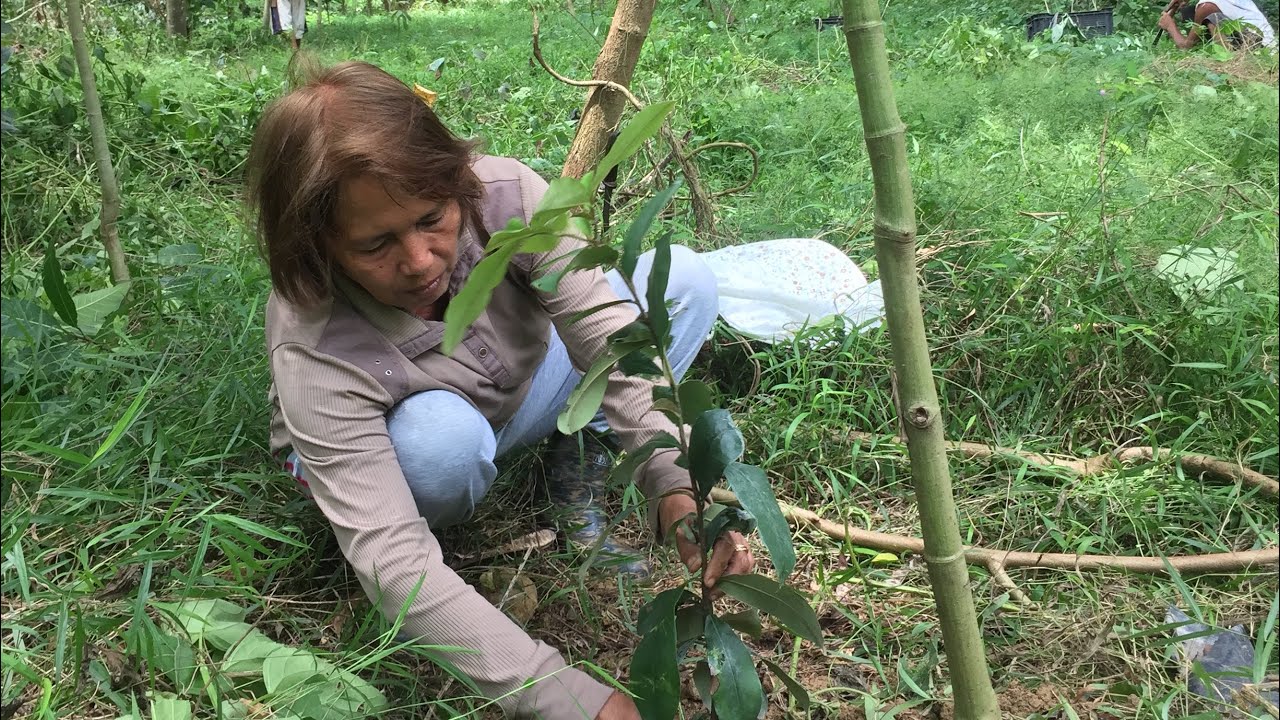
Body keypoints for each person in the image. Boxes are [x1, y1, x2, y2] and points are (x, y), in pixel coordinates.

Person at [245, 57, 757, 720]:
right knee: (440, 446)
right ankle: (451, 534)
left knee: (684, 285)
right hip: (409, 440)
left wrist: (675, 482)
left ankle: (586, 450)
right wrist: (567, 698)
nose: (420, 261)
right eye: (376, 245)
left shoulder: (509, 199)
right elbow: (393, 563)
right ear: (318, 246)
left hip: (508, 392)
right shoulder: (314, 339)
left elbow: (610, 339)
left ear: (456, 181)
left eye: (433, 218)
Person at [1158, 0, 1277, 50]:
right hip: (1269, 47)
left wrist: (1170, 26)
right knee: (1189, 11)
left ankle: (1229, 60)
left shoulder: (1207, 6)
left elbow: (1186, 46)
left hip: (1255, 46)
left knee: (1212, 18)